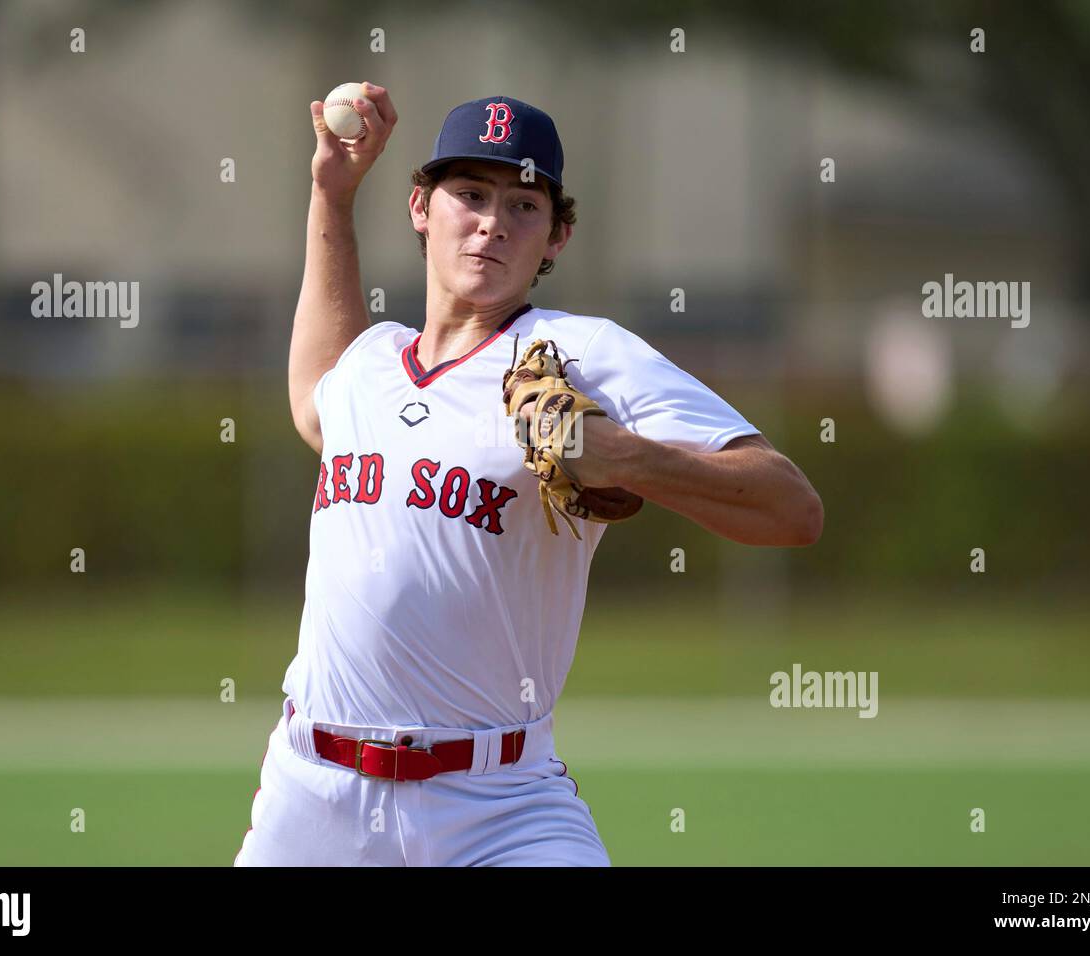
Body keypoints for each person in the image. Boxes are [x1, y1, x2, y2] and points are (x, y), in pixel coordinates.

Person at [234, 86, 823, 866]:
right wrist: (331, 192)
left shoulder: (585, 352)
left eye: (523, 205)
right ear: (419, 206)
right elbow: (315, 402)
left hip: (499, 805)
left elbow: (791, 508)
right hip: (312, 795)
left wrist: (625, 458)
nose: (491, 223)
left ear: (558, 238)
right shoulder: (371, 363)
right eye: (470, 195)